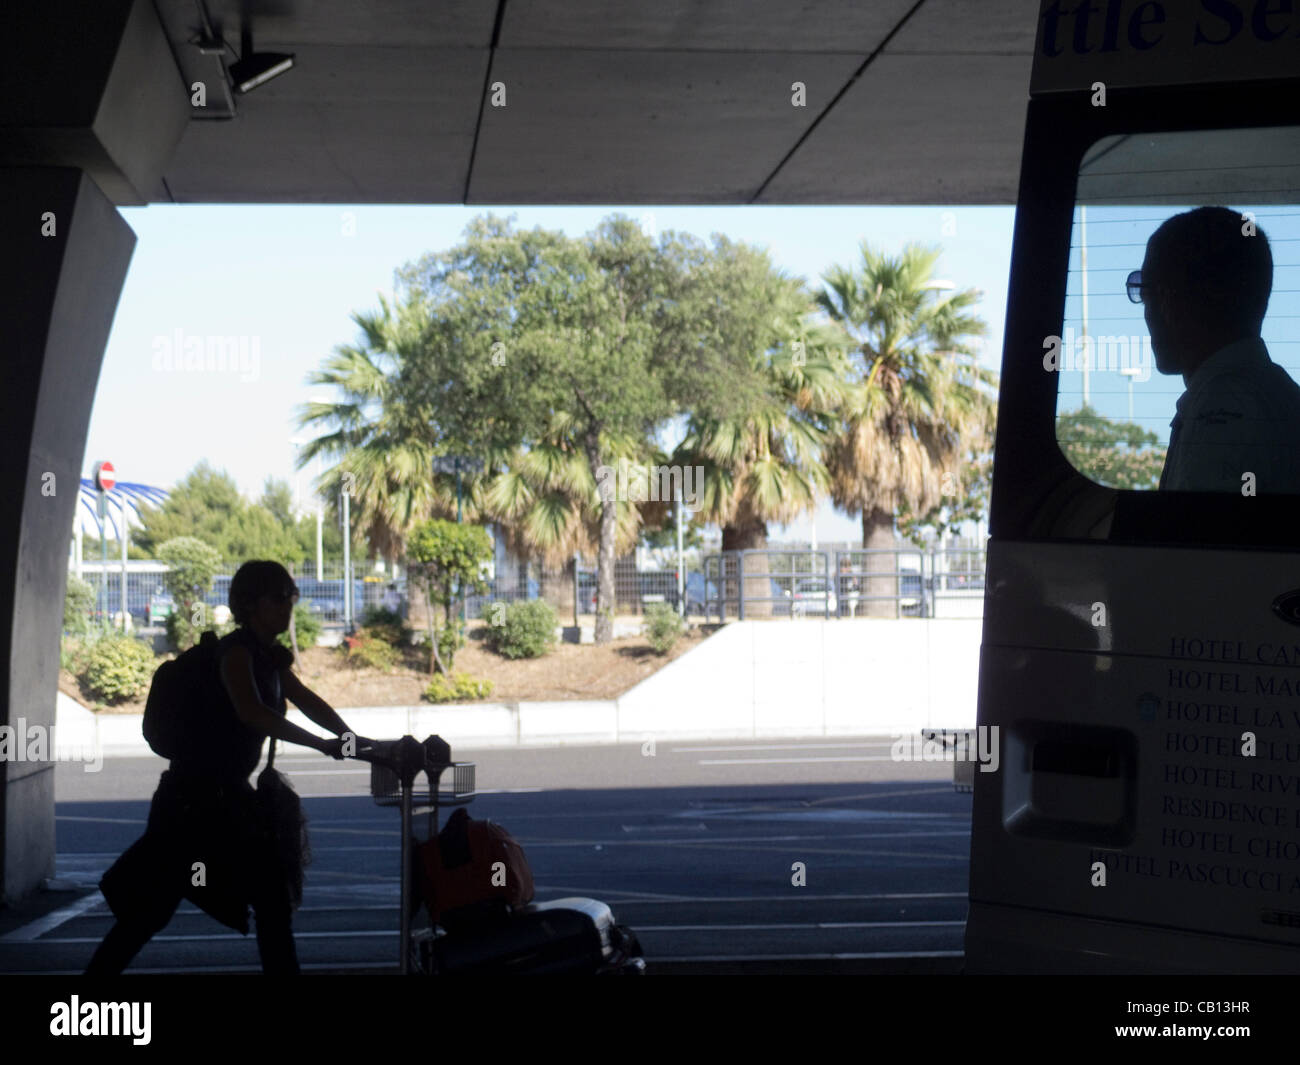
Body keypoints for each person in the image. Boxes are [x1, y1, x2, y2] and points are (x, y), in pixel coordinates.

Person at [85, 561, 364, 976]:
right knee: (151, 914)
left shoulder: (266, 657)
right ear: (250, 604)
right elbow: (253, 713)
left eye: (292, 596)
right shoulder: (236, 653)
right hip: (195, 804)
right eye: (279, 598)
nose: (288, 605)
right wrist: (323, 744)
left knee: (255, 900)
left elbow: (307, 700)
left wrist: (351, 739)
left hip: (217, 801)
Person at [1131, 205, 1300, 493]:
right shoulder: (1282, 397)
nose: (1146, 312)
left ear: (1171, 300)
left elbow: (1193, 534)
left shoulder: (1219, 408)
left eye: (1145, 291)